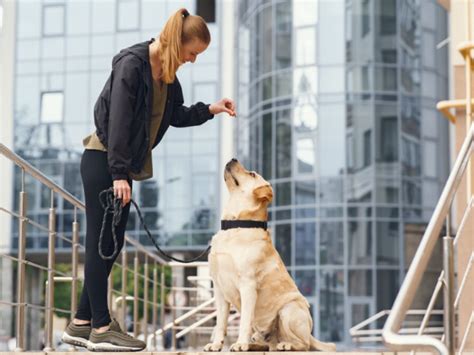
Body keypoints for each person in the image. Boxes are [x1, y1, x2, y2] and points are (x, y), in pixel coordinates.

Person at [61, 8, 235, 352]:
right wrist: (119, 173)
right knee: (101, 242)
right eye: (192, 53)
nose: (193, 60)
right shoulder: (133, 65)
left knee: (111, 244)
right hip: (103, 161)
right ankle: (100, 326)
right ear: (177, 42)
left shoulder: (166, 76)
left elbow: (176, 116)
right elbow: (118, 123)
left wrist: (211, 109)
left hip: (118, 168)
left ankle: (80, 323)